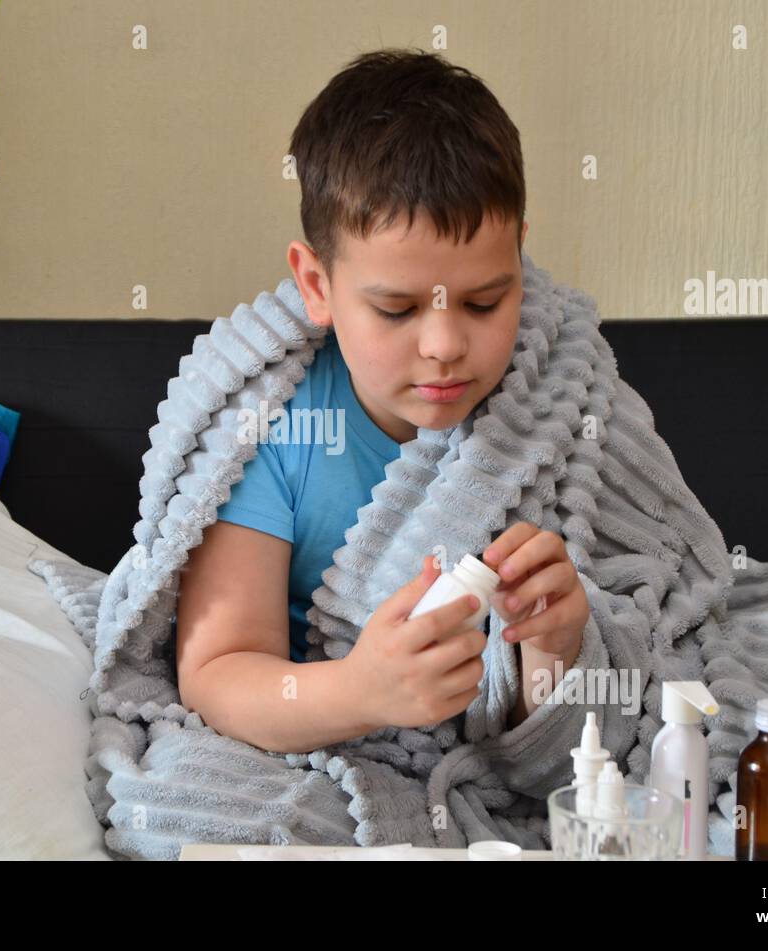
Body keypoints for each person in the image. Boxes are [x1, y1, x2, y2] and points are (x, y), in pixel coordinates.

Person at [175, 49, 589, 755]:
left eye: (485, 301)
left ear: (519, 254)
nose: (445, 344)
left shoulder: (563, 395)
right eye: (397, 309)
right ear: (317, 285)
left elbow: (575, 734)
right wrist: (358, 692)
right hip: (321, 735)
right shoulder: (271, 428)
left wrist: (554, 646)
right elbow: (215, 673)